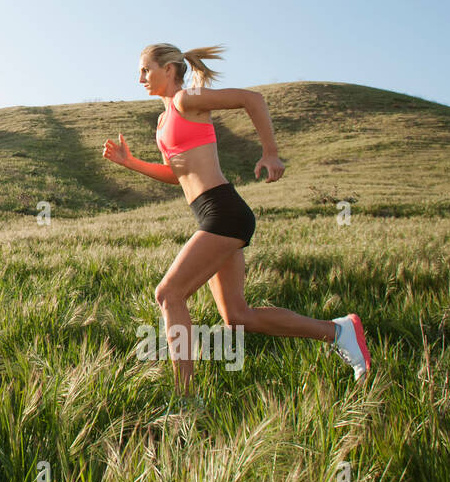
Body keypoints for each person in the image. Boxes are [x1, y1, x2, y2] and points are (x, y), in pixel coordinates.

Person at [102, 43, 370, 396]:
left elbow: (252, 99)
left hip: (223, 211)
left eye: (145, 70)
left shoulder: (186, 100)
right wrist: (131, 163)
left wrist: (271, 153)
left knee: (168, 294)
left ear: (168, 69)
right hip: (212, 214)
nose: (140, 78)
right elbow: (176, 174)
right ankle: (339, 332)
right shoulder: (164, 120)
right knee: (237, 317)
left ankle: (185, 398)